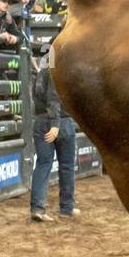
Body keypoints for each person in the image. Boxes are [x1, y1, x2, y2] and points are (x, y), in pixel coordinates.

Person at [29, 47, 79, 222]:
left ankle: (37, 207)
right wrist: (56, 124)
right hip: (59, 122)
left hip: (41, 121)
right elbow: (54, 97)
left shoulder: (41, 73)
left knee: (43, 164)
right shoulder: (55, 72)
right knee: (66, 166)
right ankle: (67, 207)